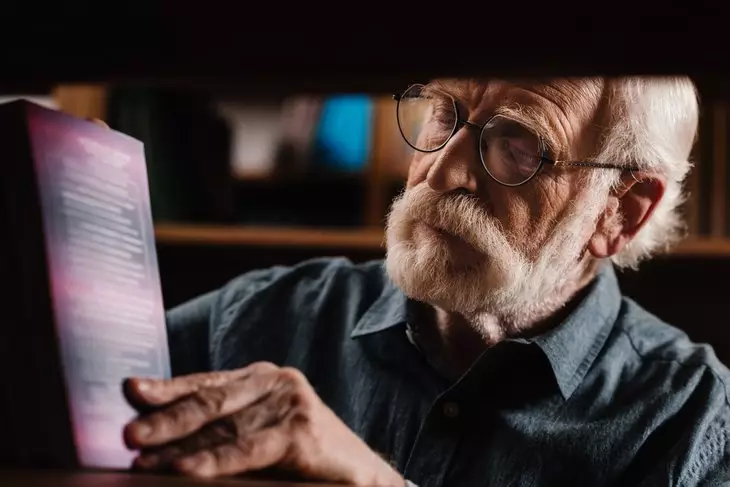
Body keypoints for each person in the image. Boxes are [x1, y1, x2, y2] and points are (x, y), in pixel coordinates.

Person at [121, 77, 730, 486]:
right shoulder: (265, 318)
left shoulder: (694, 425)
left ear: (621, 211)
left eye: (519, 146)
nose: (442, 172)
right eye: (445, 114)